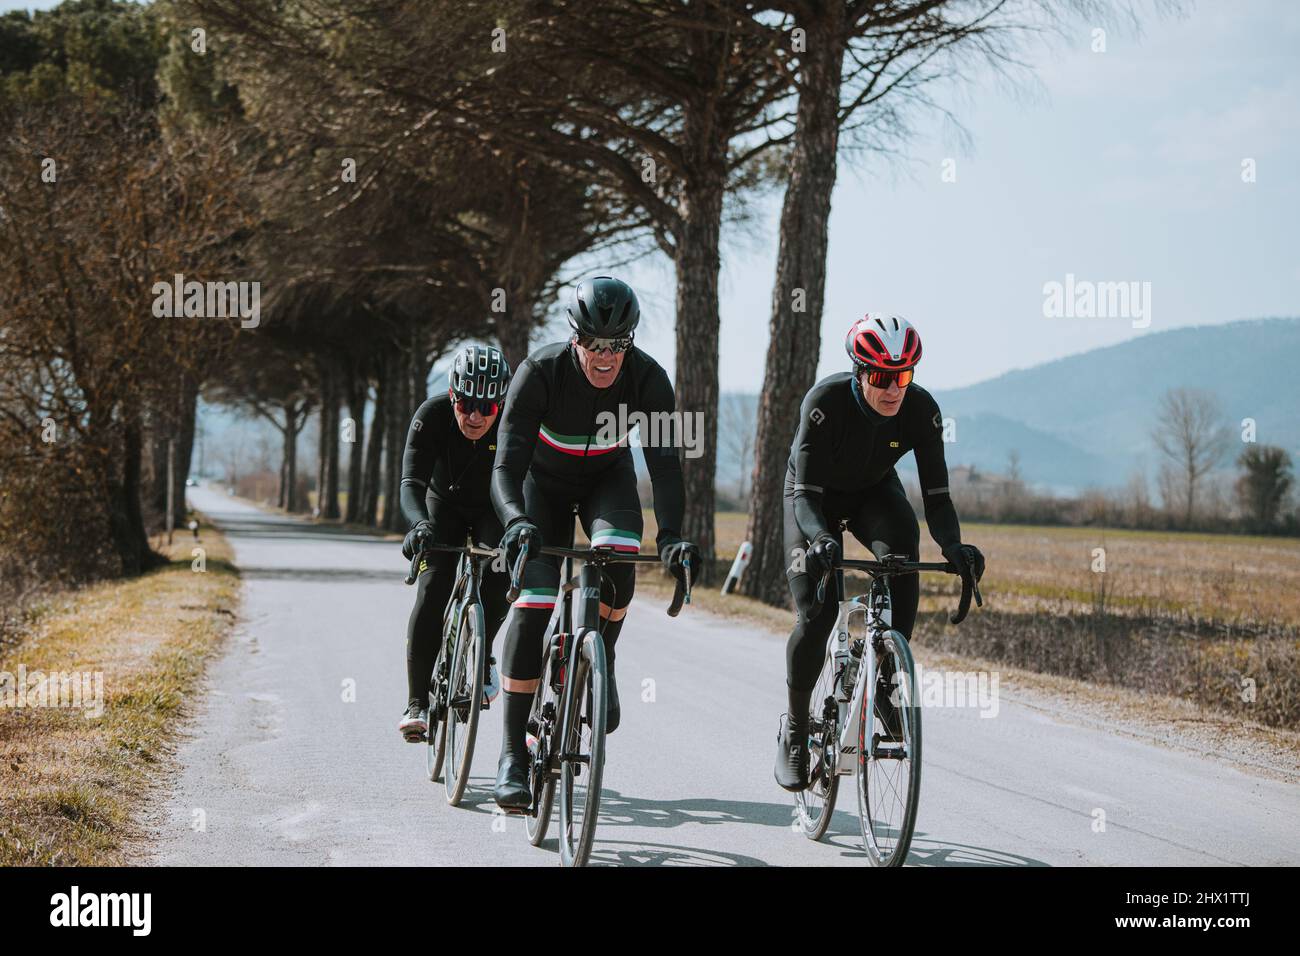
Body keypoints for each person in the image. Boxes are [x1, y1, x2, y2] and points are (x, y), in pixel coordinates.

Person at [489, 276, 700, 809]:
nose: (606, 357)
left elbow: (666, 466)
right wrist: (515, 520)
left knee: (619, 554)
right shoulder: (539, 373)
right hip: (542, 488)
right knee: (535, 602)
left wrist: (672, 535)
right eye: (595, 344)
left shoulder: (649, 379)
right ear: (575, 338)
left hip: (608, 477)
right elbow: (506, 465)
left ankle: (599, 656)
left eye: (618, 345)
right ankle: (513, 754)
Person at [774, 315, 985, 791]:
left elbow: (937, 497)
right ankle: (796, 725)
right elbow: (804, 495)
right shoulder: (823, 403)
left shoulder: (922, 410)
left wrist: (954, 546)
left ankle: (885, 680)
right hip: (812, 498)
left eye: (904, 376)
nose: (894, 388)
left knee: (903, 553)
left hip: (873, 493)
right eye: (882, 377)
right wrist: (820, 538)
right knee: (819, 609)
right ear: (859, 372)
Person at [397, 344, 513, 742]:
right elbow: (411, 482)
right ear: (452, 395)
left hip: (492, 509)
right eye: (465, 404)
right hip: (441, 506)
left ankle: (482, 654)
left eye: (488, 407)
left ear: (501, 403)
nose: (476, 416)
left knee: (500, 576)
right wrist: (417, 525)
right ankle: (416, 704)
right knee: (432, 589)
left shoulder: (515, 422)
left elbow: (527, 482)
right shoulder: (431, 416)